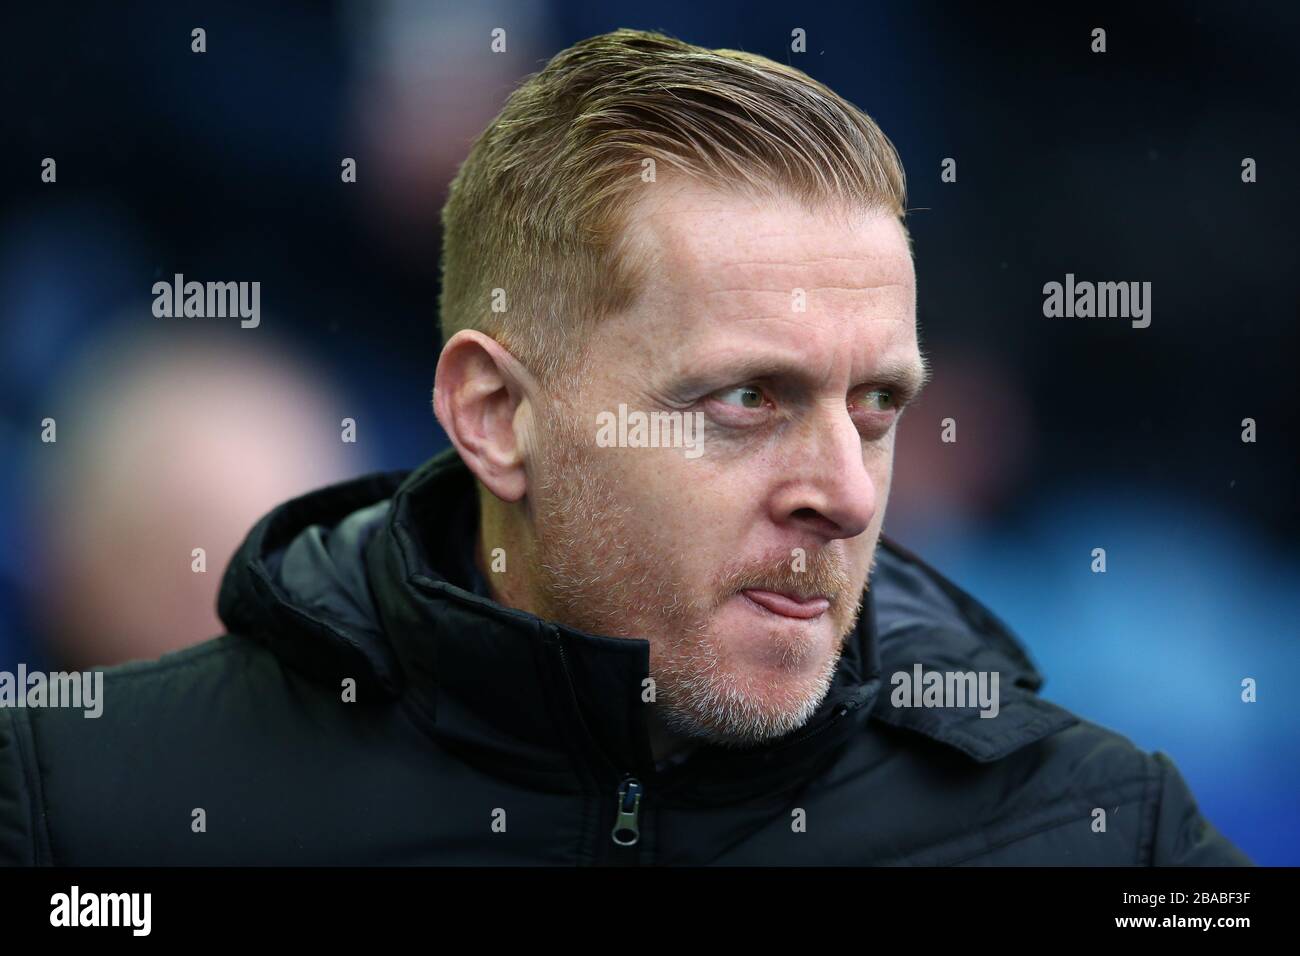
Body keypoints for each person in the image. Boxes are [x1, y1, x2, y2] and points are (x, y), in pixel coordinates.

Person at [0, 28, 1249, 865]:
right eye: (746, 400)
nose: (849, 493)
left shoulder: (1098, 825)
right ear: (495, 414)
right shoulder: (81, 803)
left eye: (875, 402)